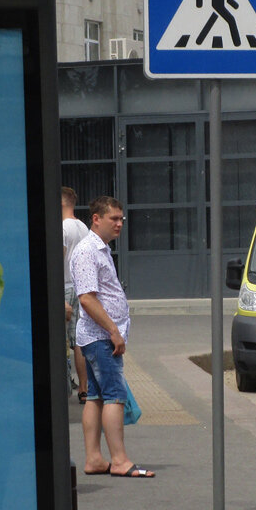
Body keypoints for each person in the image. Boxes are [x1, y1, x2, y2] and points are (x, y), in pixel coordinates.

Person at [70, 196, 155, 479]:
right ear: (96, 219)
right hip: (100, 337)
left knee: (95, 397)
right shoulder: (87, 251)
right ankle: (119, 460)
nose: (119, 224)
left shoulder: (101, 249)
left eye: (121, 219)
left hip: (98, 336)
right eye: (113, 219)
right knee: (114, 396)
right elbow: (87, 299)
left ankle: (95, 458)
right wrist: (114, 331)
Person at [62, 187, 90, 402]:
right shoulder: (83, 227)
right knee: (78, 340)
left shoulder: (62, 227)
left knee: (61, 339)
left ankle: (63, 386)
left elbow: (57, 259)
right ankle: (84, 388)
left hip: (64, 286)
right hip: (80, 287)